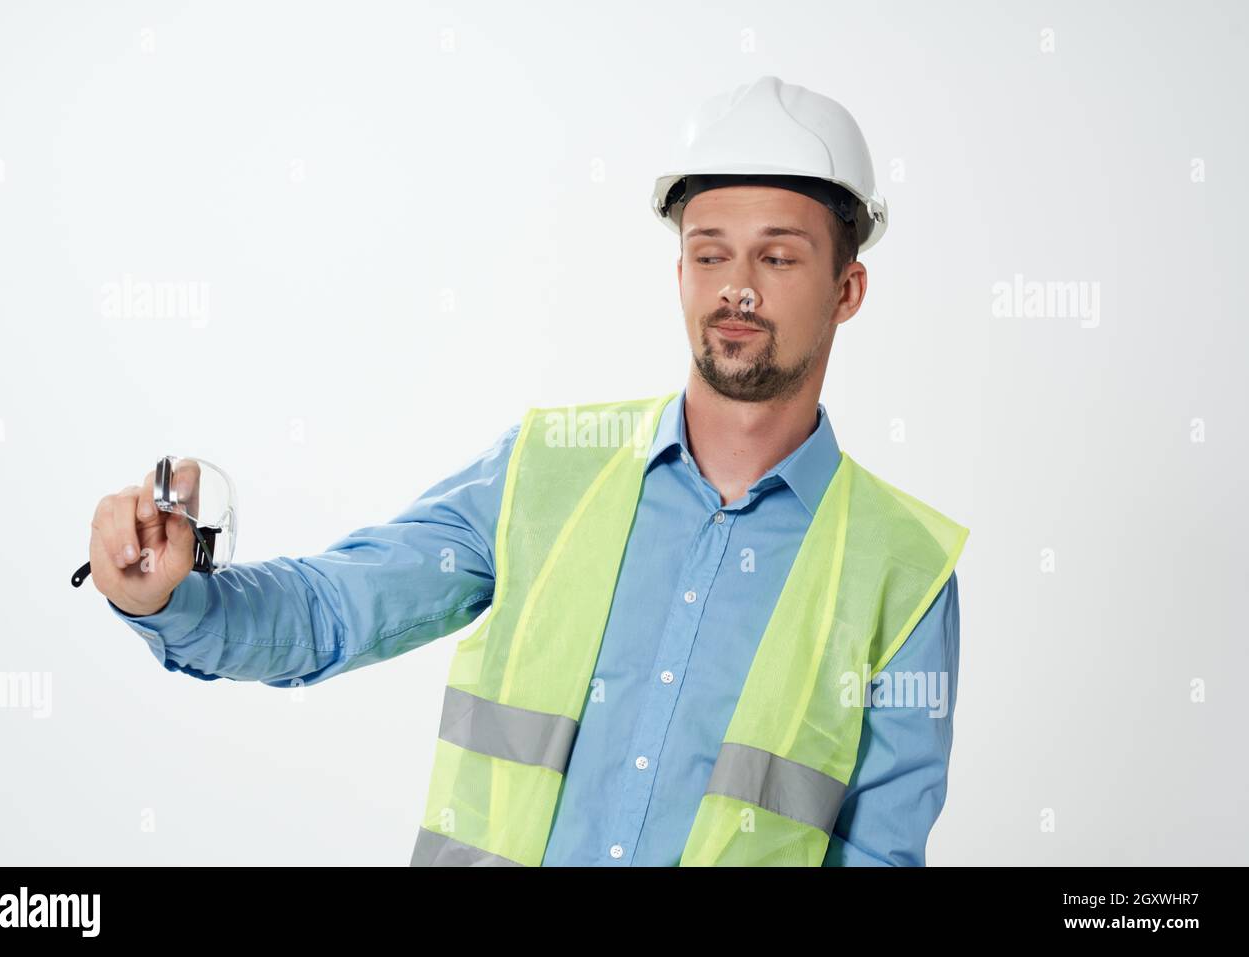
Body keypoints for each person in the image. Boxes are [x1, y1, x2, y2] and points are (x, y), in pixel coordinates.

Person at [85, 75, 967, 867]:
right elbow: (328, 614)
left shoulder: (901, 569)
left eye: (777, 256)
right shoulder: (548, 473)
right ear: (679, 270)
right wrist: (164, 598)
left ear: (848, 289)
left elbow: (879, 853)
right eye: (710, 252)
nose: (736, 287)